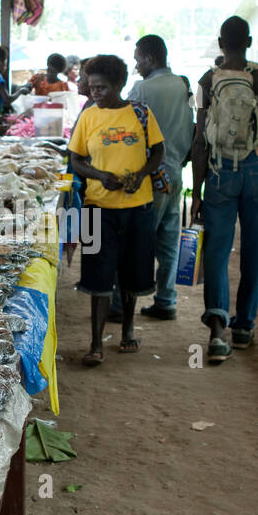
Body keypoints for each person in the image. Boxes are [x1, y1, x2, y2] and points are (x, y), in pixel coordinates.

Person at [190, 16, 258, 362]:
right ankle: (243, 327)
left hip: (219, 171)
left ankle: (217, 332)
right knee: (254, 251)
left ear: (220, 42)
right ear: (249, 40)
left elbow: (199, 138)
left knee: (216, 250)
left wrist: (197, 191)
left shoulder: (205, 81)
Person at [67, 54, 164, 366]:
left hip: (138, 206)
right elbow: (76, 159)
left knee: (131, 271)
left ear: (120, 84)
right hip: (96, 207)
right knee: (97, 274)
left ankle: (128, 329)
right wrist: (99, 176)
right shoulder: (88, 117)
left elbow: (158, 150)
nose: (95, 93)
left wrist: (141, 174)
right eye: (92, 87)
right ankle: (95, 343)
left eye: (102, 87)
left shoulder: (140, 113)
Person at [125, 34, 194, 321]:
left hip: (149, 176)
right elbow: (195, 126)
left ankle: (123, 300)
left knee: (138, 239)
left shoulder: (141, 88)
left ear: (150, 58)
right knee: (168, 240)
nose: (136, 64)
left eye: (138, 58)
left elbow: (127, 129)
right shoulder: (184, 85)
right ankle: (166, 299)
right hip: (177, 172)